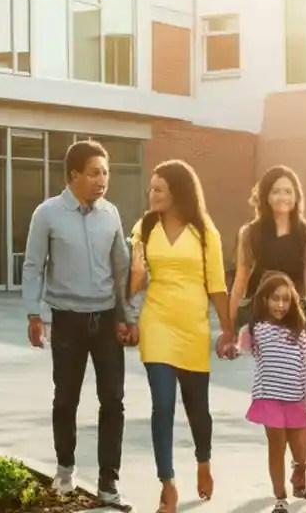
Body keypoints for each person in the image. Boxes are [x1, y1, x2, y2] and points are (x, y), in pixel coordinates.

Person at [21, 140, 133, 509]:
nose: (103, 179)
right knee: (66, 398)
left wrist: (126, 315)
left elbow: (122, 268)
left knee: (113, 401)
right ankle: (65, 467)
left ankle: (108, 482)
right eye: (95, 172)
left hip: (104, 320)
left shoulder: (111, 214)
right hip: (66, 319)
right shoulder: (47, 214)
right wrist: (34, 314)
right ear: (74, 176)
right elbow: (34, 265)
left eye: (106, 172)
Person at [127, 159, 235, 513]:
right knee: (162, 403)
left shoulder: (205, 232)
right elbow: (133, 286)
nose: (151, 194)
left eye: (159, 189)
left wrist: (228, 330)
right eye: (151, 188)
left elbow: (217, 285)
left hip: (192, 326)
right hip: (156, 321)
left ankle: (203, 460)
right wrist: (138, 274)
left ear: (177, 192)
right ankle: (167, 483)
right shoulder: (143, 228)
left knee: (197, 408)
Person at [228, 165, 306, 501]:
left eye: (289, 190)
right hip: (266, 318)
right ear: (265, 196)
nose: (283, 197)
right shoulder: (251, 232)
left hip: (299, 319)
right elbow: (241, 282)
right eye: (276, 190)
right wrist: (229, 328)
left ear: (297, 196)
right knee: (276, 393)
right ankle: (283, 482)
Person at [237, 272, 306, 513]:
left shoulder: (298, 332)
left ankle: (298, 467)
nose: (280, 305)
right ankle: (280, 498)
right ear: (264, 300)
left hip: (296, 400)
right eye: (274, 299)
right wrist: (230, 347)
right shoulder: (255, 330)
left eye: (286, 299)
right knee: (276, 446)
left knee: (302, 455)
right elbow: (238, 348)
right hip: (268, 398)